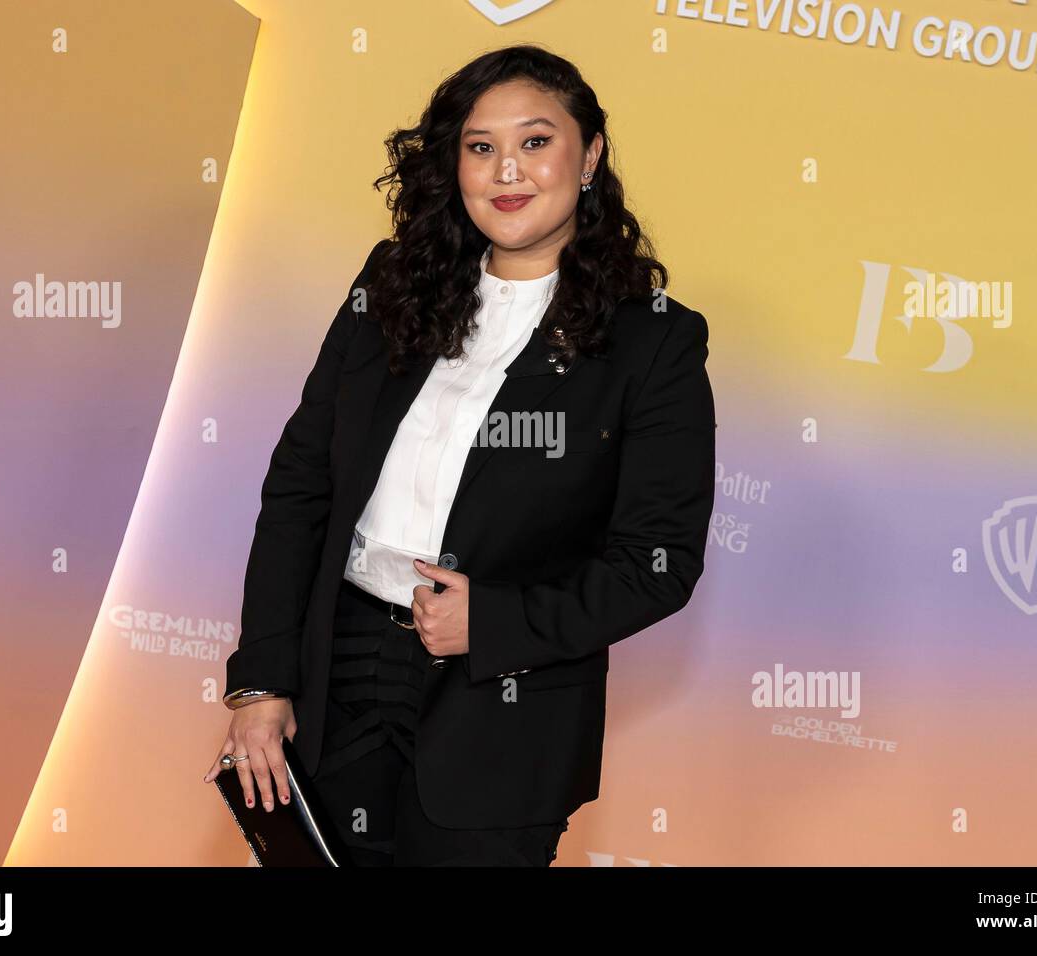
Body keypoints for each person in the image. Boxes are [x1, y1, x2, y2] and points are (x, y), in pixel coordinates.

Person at [204, 44, 716, 866]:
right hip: (340, 676)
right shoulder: (393, 285)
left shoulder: (653, 339)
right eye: (480, 147)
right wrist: (262, 682)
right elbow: (301, 486)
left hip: (505, 708)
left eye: (536, 142)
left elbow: (657, 563)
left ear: (589, 157)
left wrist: (498, 620)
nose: (507, 170)